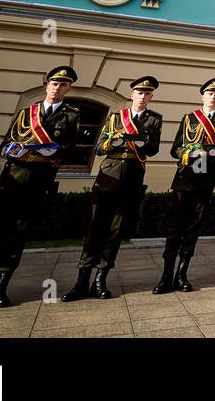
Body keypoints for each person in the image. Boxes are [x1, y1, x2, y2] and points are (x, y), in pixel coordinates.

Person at [0, 65, 80, 310]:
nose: (57, 88)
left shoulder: (71, 116)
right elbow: (4, 145)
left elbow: (71, 149)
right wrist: (11, 149)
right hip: (12, 177)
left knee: (18, 234)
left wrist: (53, 149)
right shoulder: (26, 114)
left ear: (68, 89)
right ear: (47, 85)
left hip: (38, 180)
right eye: (54, 83)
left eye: (63, 84)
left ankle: (1, 286)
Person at [60, 76, 163, 302]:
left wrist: (140, 142)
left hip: (132, 178)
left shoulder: (154, 120)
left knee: (115, 231)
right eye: (139, 92)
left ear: (151, 97)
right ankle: (81, 281)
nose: (143, 96)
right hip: (108, 176)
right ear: (132, 95)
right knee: (94, 228)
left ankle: (100, 279)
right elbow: (99, 148)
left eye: (147, 94)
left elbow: (153, 149)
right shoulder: (117, 117)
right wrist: (115, 142)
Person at [154, 77, 215, 294]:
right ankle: (165, 276)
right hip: (186, 175)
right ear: (203, 96)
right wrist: (187, 153)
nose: (213, 97)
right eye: (210, 93)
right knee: (175, 226)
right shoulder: (189, 118)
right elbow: (176, 148)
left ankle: (182, 274)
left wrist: (212, 152)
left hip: (206, 176)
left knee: (193, 226)